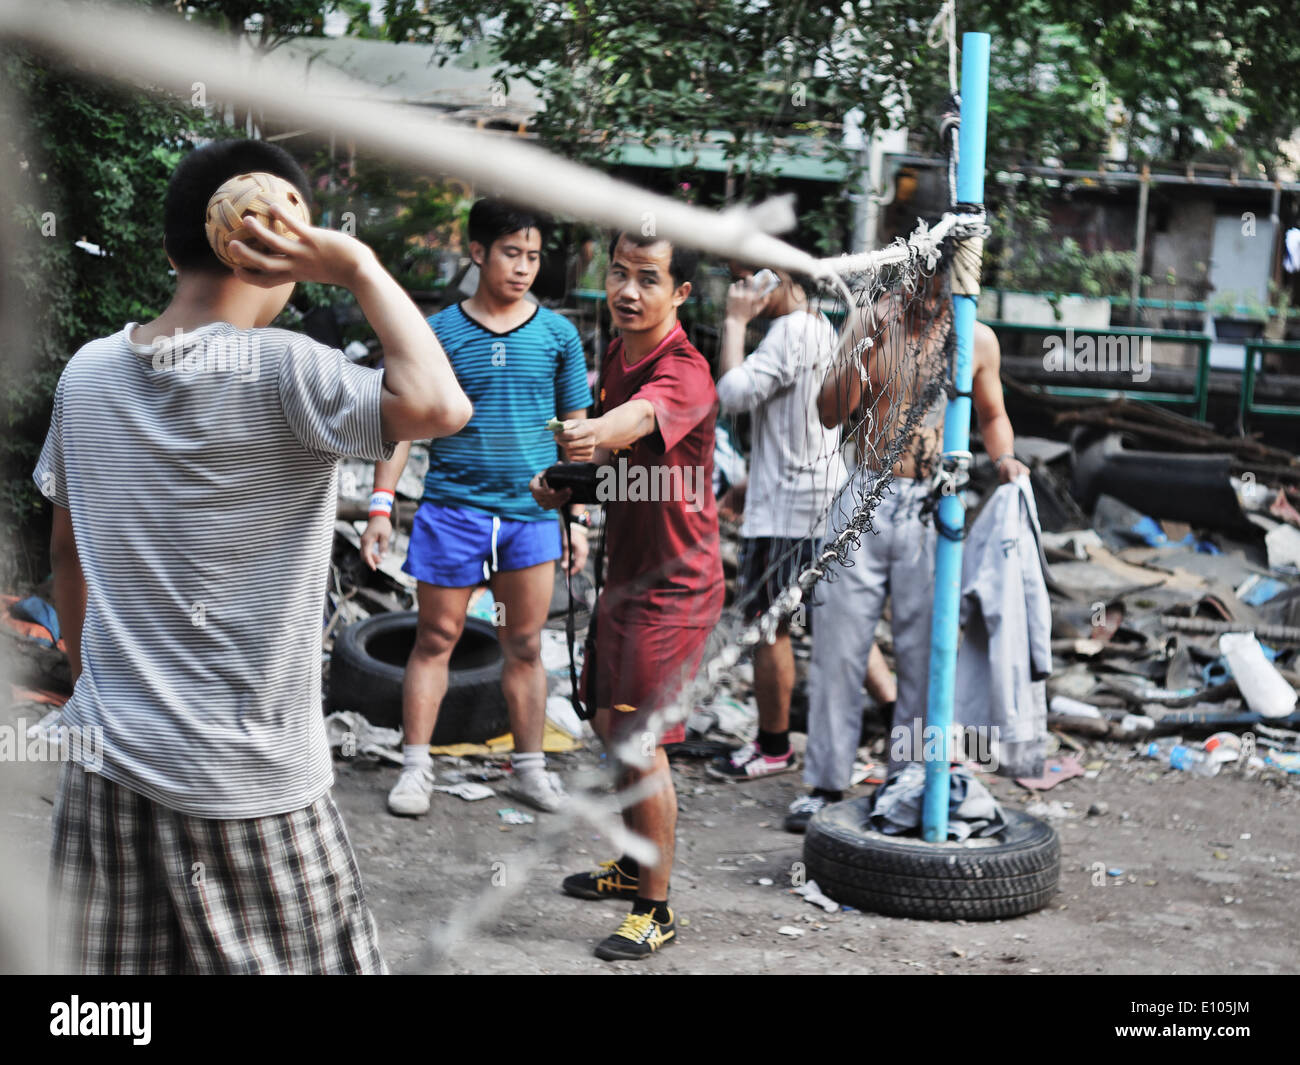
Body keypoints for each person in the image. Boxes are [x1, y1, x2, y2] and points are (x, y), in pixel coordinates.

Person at [34, 139, 471, 973]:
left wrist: (101, 686)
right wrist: (359, 265)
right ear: (284, 252)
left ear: (171, 249)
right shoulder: (289, 371)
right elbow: (441, 406)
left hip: (105, 761)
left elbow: (68, 554)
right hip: (246, 779)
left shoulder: (86, 373)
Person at [363, 199, 593, 818]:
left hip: (532, 515)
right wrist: (381, 507)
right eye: (512, 253)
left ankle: (530, 771)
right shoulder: (437, 334)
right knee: (436, 637)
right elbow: (402, 425)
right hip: (452, 511)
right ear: (478, 253)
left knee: (522, 643)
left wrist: (580, 516)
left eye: (534, 257)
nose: (523, 268)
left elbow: (576, 431)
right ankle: (416, 769)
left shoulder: (558, 335)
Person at [784, 256, 1029, 833]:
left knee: (926, 650)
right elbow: (828, 412)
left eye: (948, 281)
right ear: (910, 272)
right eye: (925, 278)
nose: (934, 291)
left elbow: (992, 414)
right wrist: (861, 341)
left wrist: (1005, 459)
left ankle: (907, 778)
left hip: (935, 501)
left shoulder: (977, 339)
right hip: (866, 489)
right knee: (839, 645)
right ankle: (823, 784)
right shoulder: (874, 323)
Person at [530, 231, 722, 961]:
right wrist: (568, 479)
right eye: (618, 273)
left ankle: (657, 908)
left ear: (680, 293)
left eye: (648, 278)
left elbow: (633, 424)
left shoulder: (685, 371)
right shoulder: (617, 353)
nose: (628, 291)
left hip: (677, 585)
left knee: (640, 742)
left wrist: (589, 435)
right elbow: (629, 471)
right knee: (610, 724)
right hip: (626, 574)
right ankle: (636, 860)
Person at [708, 264, 845, 780]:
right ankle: (894, 711)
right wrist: (752, 478)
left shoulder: (791, 330)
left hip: (790, 507)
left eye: (748, 279)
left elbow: (734, 394)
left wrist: (735, 324)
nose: (740, 290)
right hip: (807, 494)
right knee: (829, 619)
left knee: (769, 626)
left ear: (779, 278)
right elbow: (796, 420)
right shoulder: (814, 327)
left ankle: (773, 746)